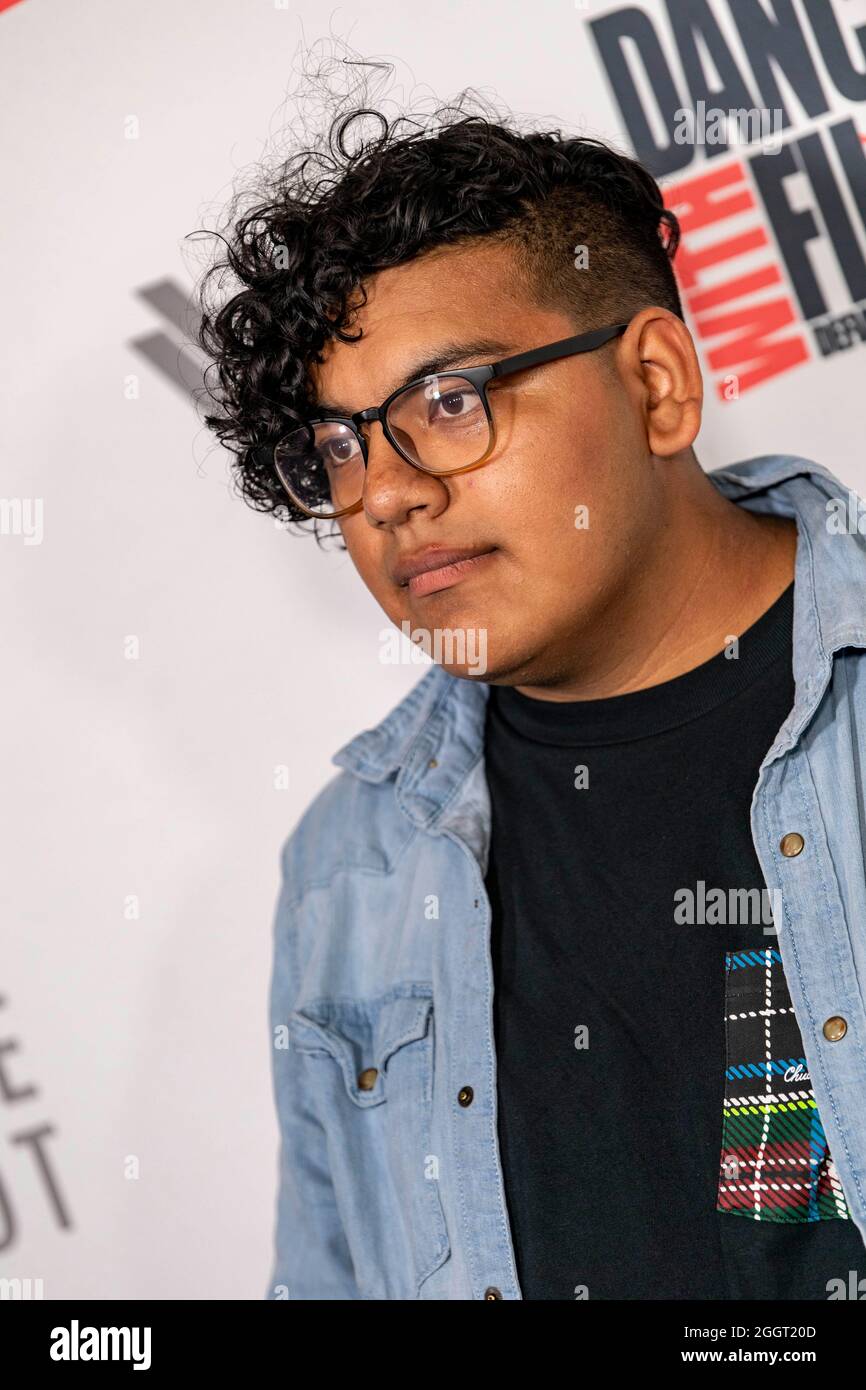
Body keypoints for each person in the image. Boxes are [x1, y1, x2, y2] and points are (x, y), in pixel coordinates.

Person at [198, 95, 866, 1300]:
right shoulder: (355, 867)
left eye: (449, 401)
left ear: (656, 384)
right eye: (340, 447)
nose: (385, 494)